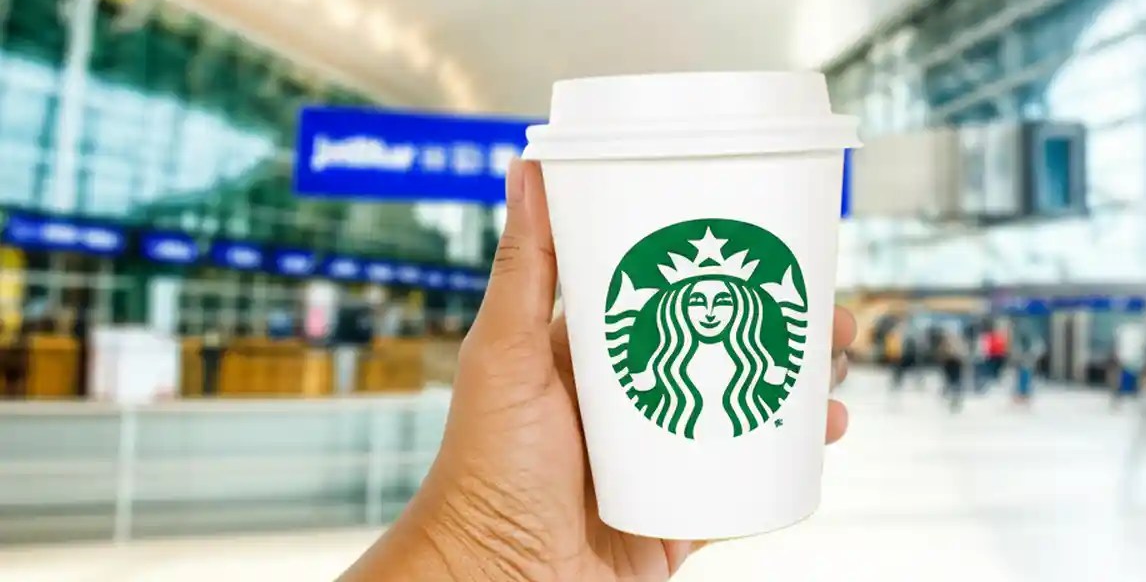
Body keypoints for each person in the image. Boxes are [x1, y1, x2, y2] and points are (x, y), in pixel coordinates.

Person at [341, 160, 854, 581]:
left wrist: (486, 557)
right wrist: (487, 550)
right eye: (697, 298)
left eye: (724, 298)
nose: (711, 310)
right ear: (674, 308)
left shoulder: (752, 372)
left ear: (746, 306)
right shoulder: (661, 373)